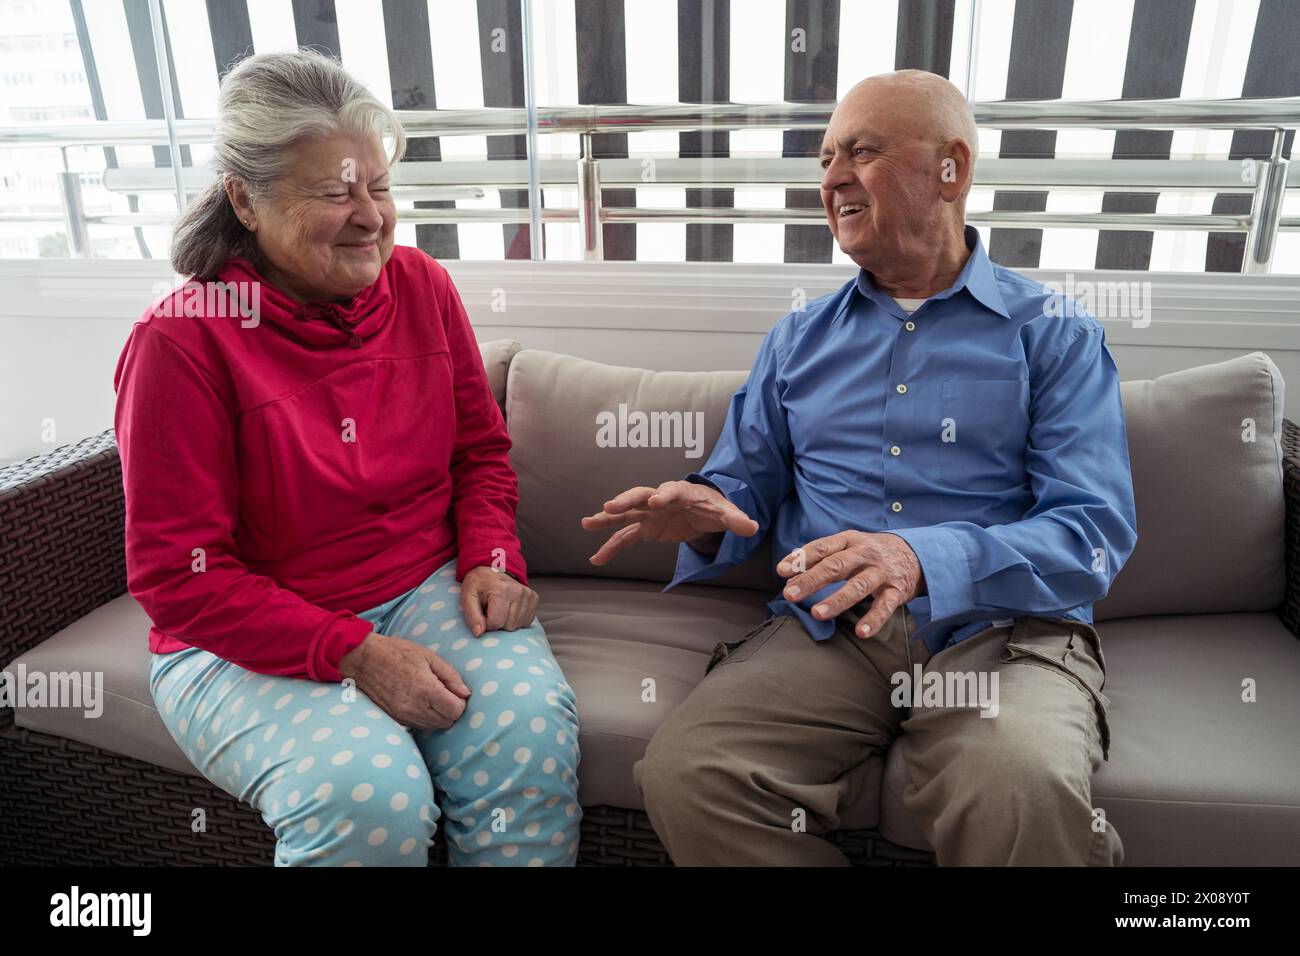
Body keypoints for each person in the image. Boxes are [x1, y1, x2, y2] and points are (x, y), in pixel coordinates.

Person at [583, 69, 1137, 866]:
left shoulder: (1054, 335)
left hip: (1002, 632)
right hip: (832, 632)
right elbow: (743, 483)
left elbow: (1091, 533)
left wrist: (920, 558)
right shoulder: (799, 338)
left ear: (952, 168)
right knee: (690, 773)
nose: (833, 178)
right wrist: (702, 510)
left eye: (862, 152)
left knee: (1016, 782)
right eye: (825, 158)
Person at [114, 50, 580, 866]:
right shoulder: (181, 341)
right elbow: (177, 578)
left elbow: (480, 453)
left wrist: (493, 559)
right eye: (334, 192)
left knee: (528, 737)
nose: (371, 216)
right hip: (236, 637)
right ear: (245, 202)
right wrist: (352, 652)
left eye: (380, 186)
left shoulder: (423, 286)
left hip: (424, 582)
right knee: (370, 801)